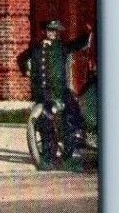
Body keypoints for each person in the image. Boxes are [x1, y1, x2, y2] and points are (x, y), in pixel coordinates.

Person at [18, 20, 88, 167]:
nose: (53, 33)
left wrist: (88, 34)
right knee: (46, 123)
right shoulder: (36, 48)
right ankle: (48, 158)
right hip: (43, 93)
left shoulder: (61, 47)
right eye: (50, 30)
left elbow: (77, 45)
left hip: (60, 91)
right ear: (45, 31)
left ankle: (69, 157)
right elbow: (21, 58)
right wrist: (26, 70)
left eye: (56, 31)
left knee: (71, 118)